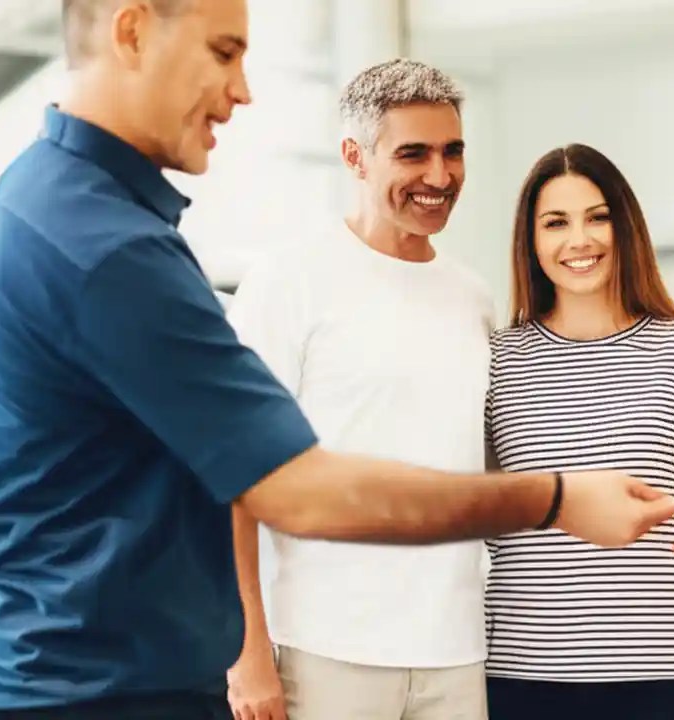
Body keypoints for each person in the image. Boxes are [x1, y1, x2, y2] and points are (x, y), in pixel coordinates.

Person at [0, 1, 674, 719]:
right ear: (133, 31)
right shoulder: (107, 249)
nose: (243, 90)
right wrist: (553, 500)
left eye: (453, 150)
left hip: (127, 678)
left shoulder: (45, 211)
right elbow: (292, 490)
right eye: (224, 52)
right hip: (111, 690)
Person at [223, 58, 497, 720]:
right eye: (414, 154)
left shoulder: (475, 297)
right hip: (323, 648)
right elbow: (230, 471)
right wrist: (247, 648)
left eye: (452, 151)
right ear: (356, 157)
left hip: (456, 649)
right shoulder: (289, 281)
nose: (440, 176)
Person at [482, 143, 674, 720]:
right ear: (531, 241)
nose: (578, 240)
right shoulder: (495, 361)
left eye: (597, 217)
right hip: (524, 674)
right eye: (555, 223)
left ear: (625, 227)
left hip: (665, 671)